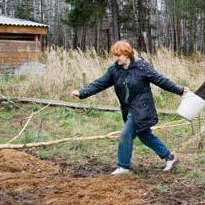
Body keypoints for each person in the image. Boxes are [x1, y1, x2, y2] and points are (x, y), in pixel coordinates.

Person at [71, 40, 189, 175]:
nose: (117, 58)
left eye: (119, 55)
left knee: (125, 134)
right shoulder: (115, 70)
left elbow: (161, 80)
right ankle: (170, 157)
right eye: (115, 55)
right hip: (128, 109)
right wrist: (82, 92)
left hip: (142, 108)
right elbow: (99, 84)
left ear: (127, 54)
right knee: (144, 135)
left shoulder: (141, 67)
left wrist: (180, 90)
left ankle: (123, 166)